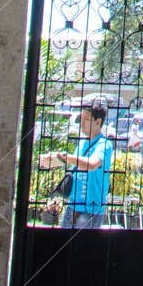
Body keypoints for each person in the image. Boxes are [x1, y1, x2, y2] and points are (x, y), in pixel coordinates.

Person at [39, 99, 114, 230]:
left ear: (98, 122)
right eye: (81, 118)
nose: (82, 123)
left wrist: (66, 157)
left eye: (86, 119)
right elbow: (72, 163)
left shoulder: (104, 144)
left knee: (83, 249)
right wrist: (51, 159)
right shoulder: (82, 144)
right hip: (72, 206)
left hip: (90, 210)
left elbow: (92, 164)